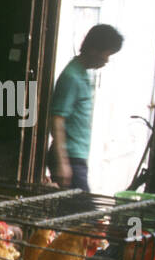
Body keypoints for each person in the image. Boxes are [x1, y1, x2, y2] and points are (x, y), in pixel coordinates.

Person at [50, 24, 124, 191]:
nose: (107, 59)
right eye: (107, 54)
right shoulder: (72, 76)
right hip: (70, 159)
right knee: (83, 212)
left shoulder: (81, 73)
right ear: (94, 50)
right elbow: (57, 119)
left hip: (76, 159)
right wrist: (63, 163)